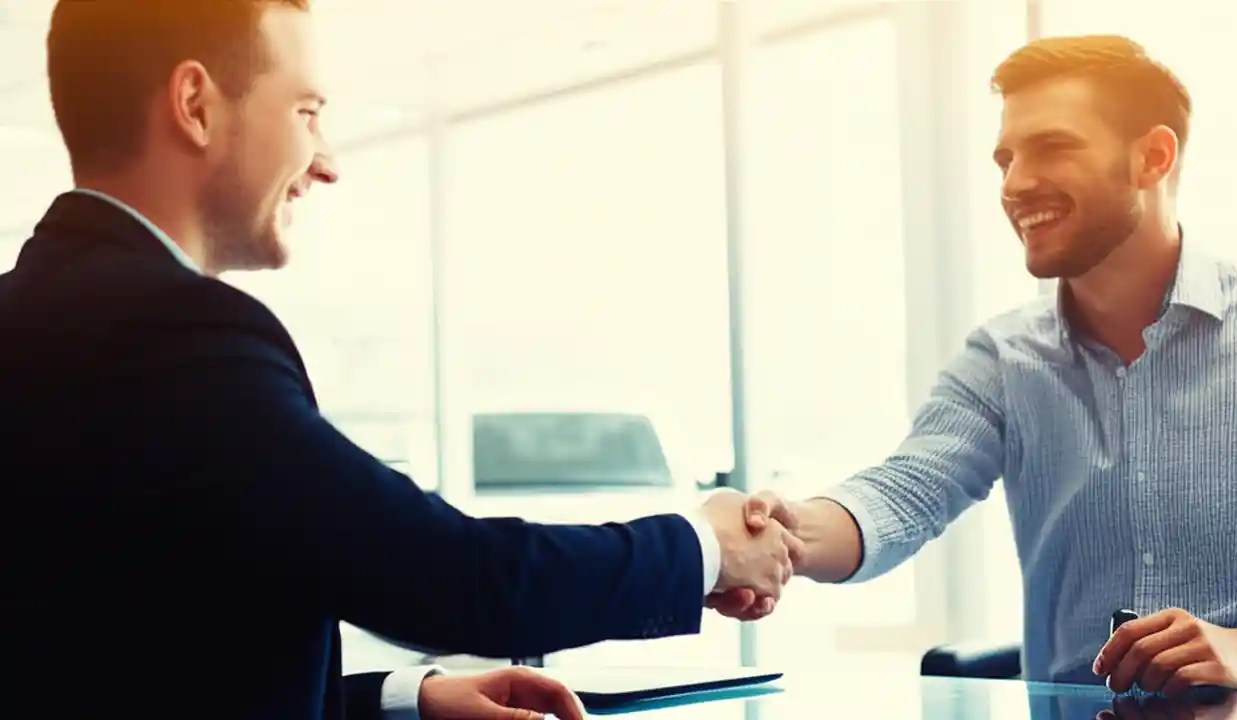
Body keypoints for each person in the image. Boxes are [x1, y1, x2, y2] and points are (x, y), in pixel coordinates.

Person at [0, 2, 799, 719]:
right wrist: (704, 550)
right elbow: (454, 579)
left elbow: (117, 653)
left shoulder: (28, 315)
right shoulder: (181, 333)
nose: (326, 161)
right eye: (307, 112)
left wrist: (403, 698)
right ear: (195, 105)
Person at [728, 34, 1237, 694]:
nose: (1015, 185)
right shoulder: (1003, 356)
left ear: (1152, 157)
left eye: (1053, 147)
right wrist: (788, 532)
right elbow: (905, 491)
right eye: (1005, 160)